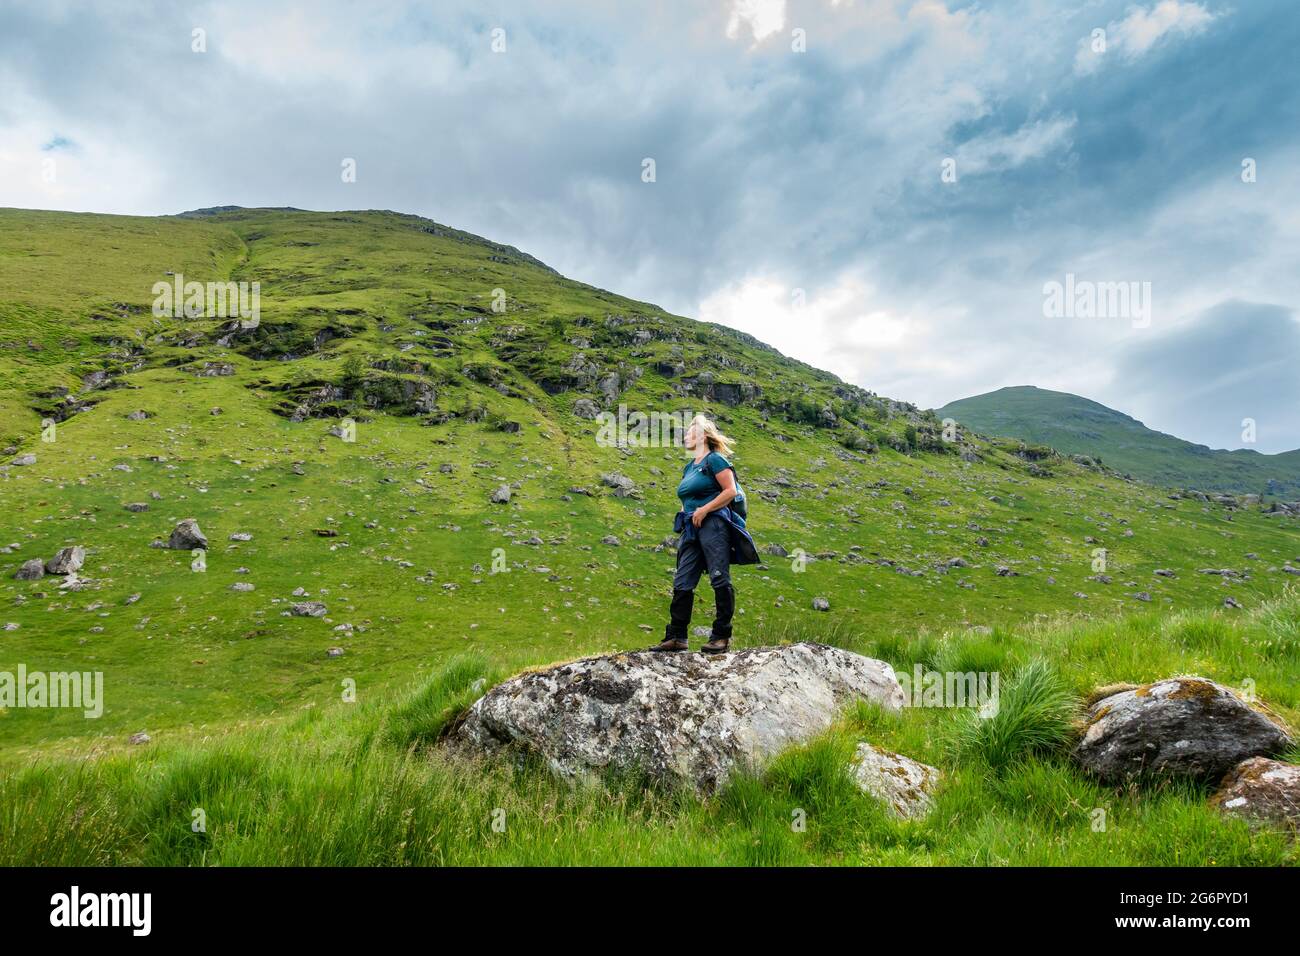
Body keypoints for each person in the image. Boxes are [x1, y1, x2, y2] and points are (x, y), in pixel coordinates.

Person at [649, 413, 740, 654]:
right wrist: (685, 514)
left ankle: (721, 636)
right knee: (682, 580)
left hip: (714, 525)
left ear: (702, 435)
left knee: (719, 576)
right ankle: (677, 636)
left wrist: (705, 509)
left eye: (689, 432)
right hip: (691, 528)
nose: (685, 437)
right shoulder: (689, 467)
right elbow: (687, 497)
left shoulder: (716, 460)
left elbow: (730, 491)